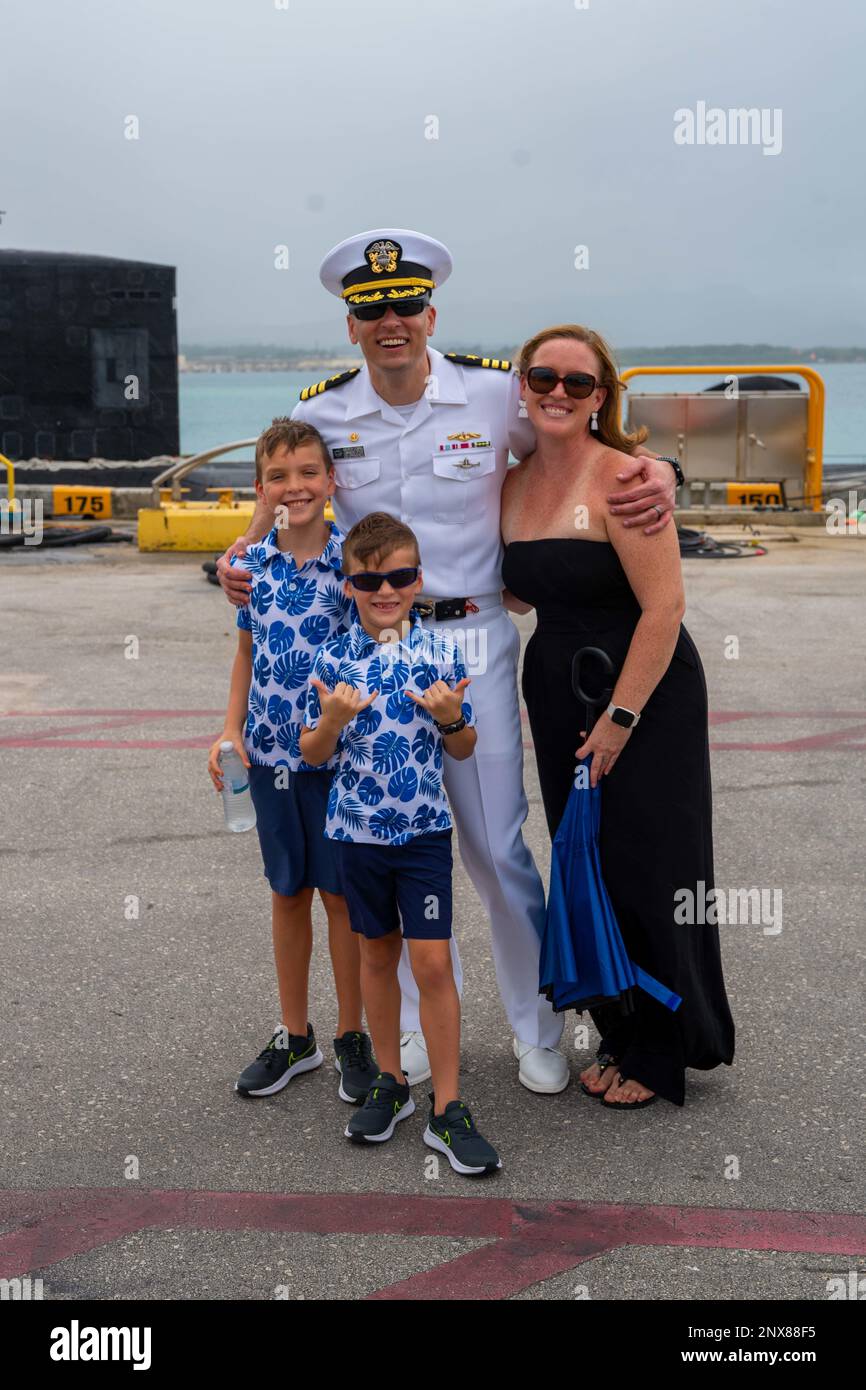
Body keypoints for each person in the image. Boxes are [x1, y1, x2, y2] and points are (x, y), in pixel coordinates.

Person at [217, 228, 681, 1096]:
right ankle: (417, 1034)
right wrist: (239, 557)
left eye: (405, 307)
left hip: (469, 639)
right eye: (371, 311)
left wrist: (656, 467)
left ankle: (537, 1026)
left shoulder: (494, 393)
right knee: (382, 835)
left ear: (431, 314)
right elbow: (284, 491)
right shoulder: (324, 413)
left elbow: (575, 436)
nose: (391, 322)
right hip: (369, 642)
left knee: (495, 846)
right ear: (352, 327)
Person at [501, 324, 735, 1107]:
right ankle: (619, 1031)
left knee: (650, 864)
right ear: (522, 386)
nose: (558, 393)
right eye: (544, 378)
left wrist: (622, 718)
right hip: (558, 687)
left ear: (602, 397)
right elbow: (522, 590)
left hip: (642, 690)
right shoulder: (512, 481)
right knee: (586, 865)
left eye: (578, 383)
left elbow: (665, 607)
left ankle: (665, 1046)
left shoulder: (628, 479)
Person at [300, 511, 501, 1176]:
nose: (386, 589)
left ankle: (448, 1107)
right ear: (349, 582)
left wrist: (450, 720)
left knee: (433, 965)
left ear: (419, 580)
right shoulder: (331, 662)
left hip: (422, 836)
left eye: (401, 576)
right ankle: (390, 1081)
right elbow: (312, 752)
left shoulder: (440, 655)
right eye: (370, 578)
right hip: (356, 838)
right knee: (376, 957)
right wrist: (329, 721)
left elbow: (466, 748)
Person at [208, 418, 379, 1104]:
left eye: (309, 472)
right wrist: (228, 730)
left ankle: (350, 1035)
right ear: (260, 488)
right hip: (270, 758)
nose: (296, 486)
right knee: (287, 893)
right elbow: (245, 655)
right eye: (279, 476)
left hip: (336, 761)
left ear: (332, 481)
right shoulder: (251, 567)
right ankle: (295, 1033)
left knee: (339, 896)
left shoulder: (351, 565)